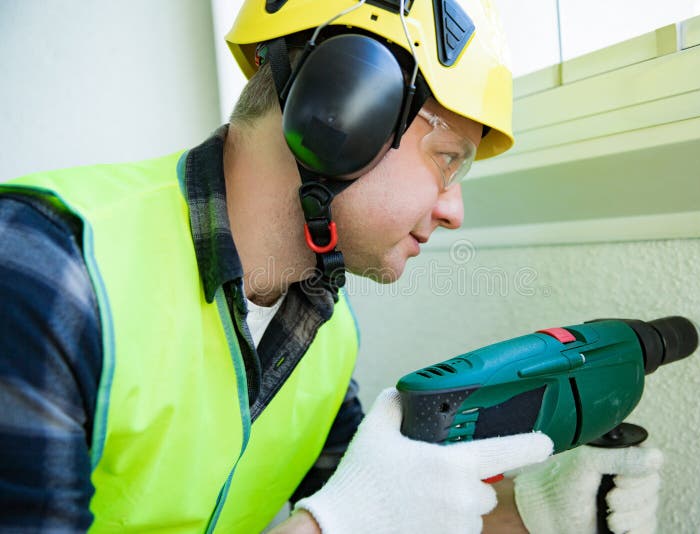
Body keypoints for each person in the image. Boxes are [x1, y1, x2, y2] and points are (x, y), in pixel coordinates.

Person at [0, 0, 661, 532]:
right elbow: (353, 516)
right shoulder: (49, 267)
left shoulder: (322, 323)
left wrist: (528, 514)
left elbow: (383, 506)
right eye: (449, 157)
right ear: (342, 110)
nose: (455, 208)